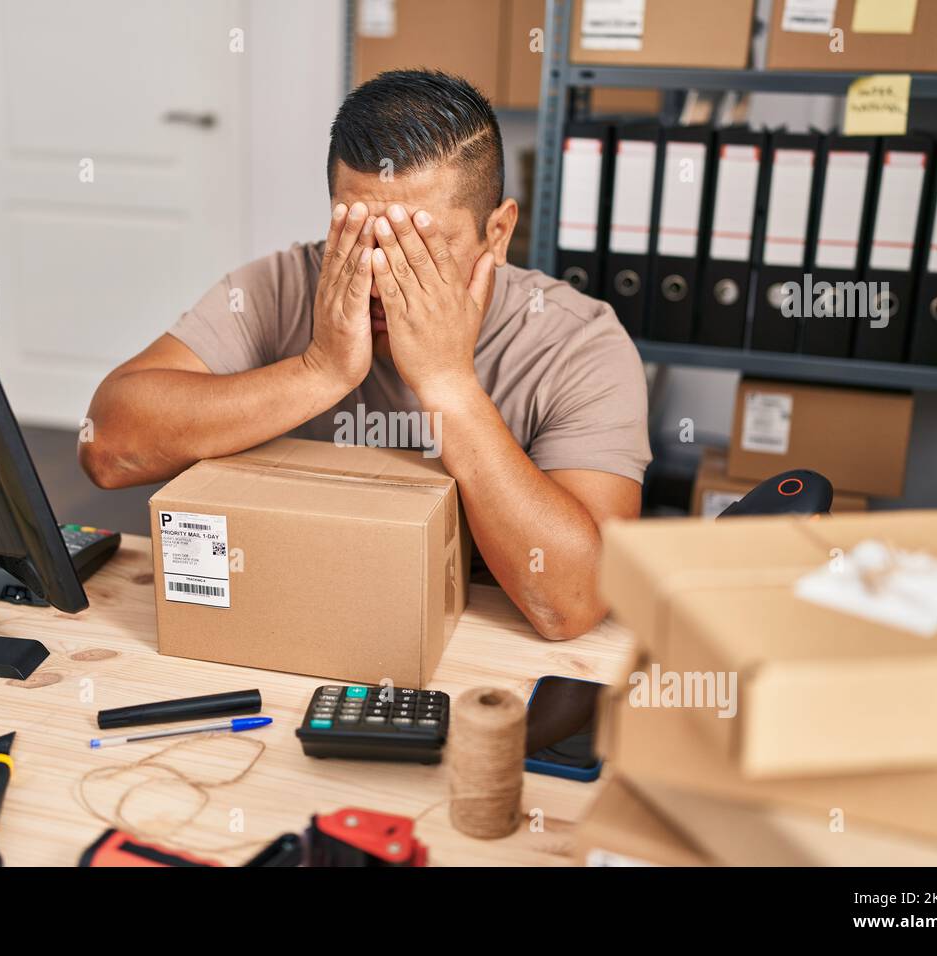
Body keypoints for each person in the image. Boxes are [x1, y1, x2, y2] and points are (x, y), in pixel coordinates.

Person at [80, 70, 650, 640]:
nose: (381, 277)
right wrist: (319, 370)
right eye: (358, 238)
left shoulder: (580, 342)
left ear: (498, 232)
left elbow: (573, 601)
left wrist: (448, 385)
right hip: (295, 604)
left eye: (420, 246)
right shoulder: (276, 287)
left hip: (484, 630)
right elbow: (105, 449)